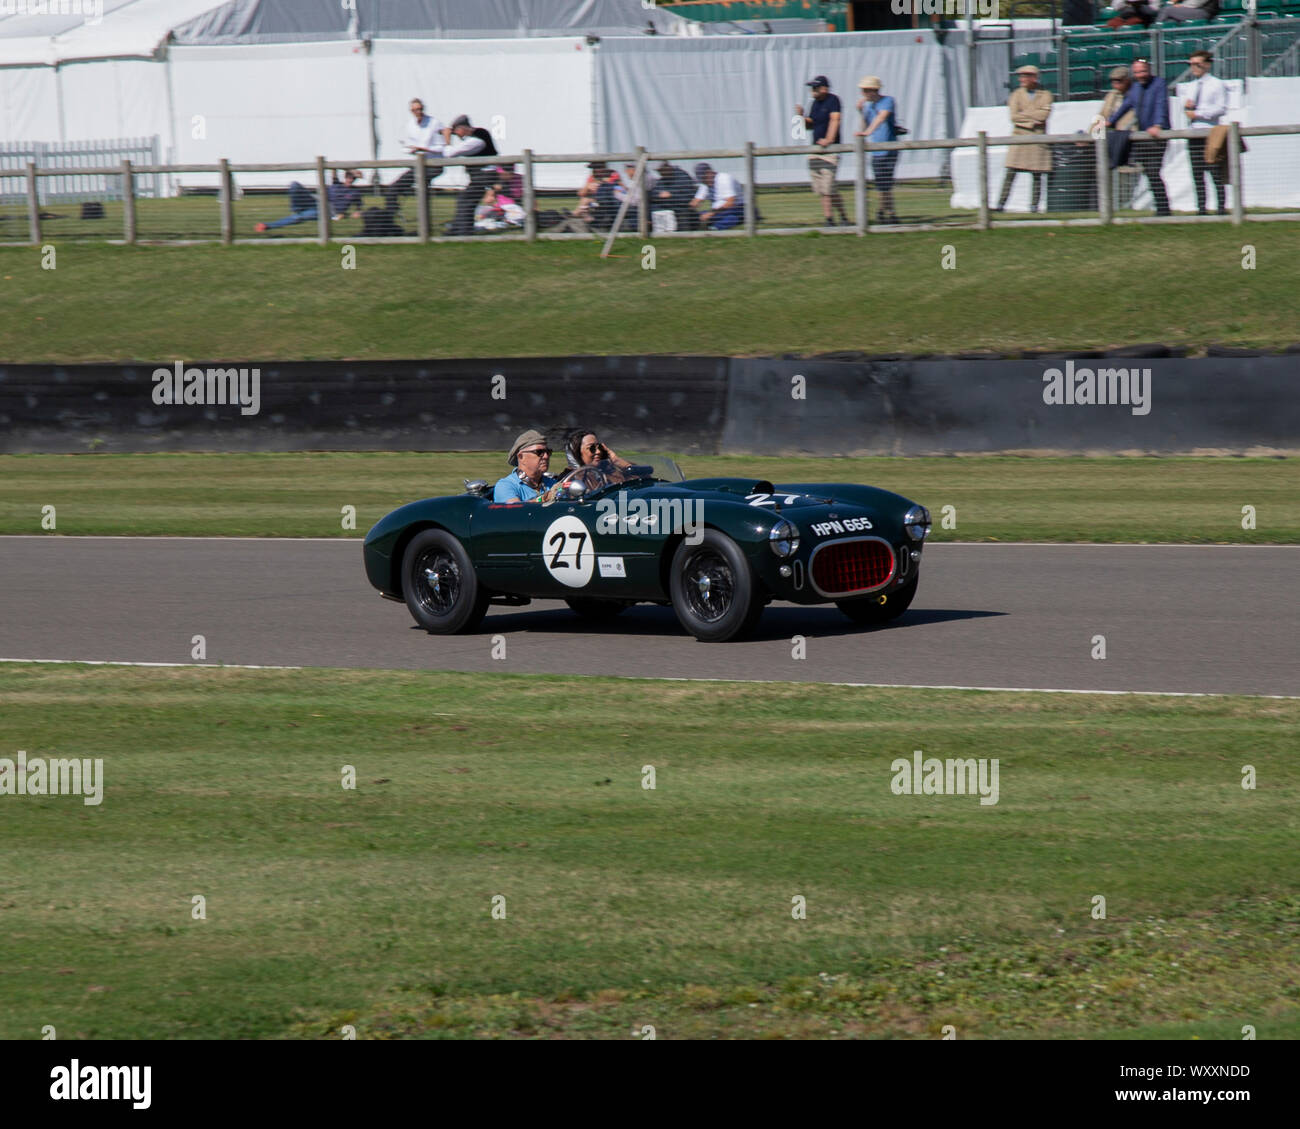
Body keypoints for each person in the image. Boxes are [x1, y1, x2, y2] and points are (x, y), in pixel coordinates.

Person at [1107, 58, 1172, 217]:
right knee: (1149, 173)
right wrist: (1110, 122)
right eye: (1136, 72)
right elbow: (1126, 106)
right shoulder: (1135, 88)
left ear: (1148, 69)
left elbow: (1161, 105)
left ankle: (1164, 210)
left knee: (1153, 171)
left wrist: (1158, 124)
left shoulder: (1159, 84)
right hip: (1143, 137)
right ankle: (1162, 209)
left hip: (1157, 136)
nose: (1140, 75)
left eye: (1142, 71)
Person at [995, 65, 1054, 214]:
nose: (1022, 79)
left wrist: (1026, 115)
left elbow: (1044, 115)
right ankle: (1001, 204)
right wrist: (1032, 120)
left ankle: (1034, 206)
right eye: (1020, 76)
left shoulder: (1046, 94)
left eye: (1026, 76)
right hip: (1019, 140)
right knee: (1011, 173)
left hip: (1037, 140)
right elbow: (1014, 116)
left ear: (1034, 78)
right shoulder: (1015, 95)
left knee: (1037, 175)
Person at [795, 75, 850, 227]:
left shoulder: (833, 100)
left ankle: (829, 220)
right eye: (812, 88)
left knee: (828, 188)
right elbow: (809, 125)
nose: (813, 90)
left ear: (824, 88)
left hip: (830, 151)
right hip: (815, 150)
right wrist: (800, 116)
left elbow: (835, 120)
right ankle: (843, 217)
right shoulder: (814, 104)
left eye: (816, 87)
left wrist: (829, 139)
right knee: (825, 189)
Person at [1183, 50, 1229, 215]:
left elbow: (1221, 108)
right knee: (1197, 173)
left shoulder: (1217, 84)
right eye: (1191, 64)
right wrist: (1188, 108)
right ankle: (1201, 209)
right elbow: (1188, 108)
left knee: (1215, 172)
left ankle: (1220, 209)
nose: (1194, 68)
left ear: (1207, 64)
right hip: (1194, 133)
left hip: (1211, 134)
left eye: (1197, 64)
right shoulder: (1191, 86)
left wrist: (1199, 113)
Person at [382, 97, 445, 210]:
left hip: (434, 165)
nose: (418, 112)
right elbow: (404, 146)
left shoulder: (435, 123)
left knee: (422, 189)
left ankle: (423, 216)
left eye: (420, 109)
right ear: (411, 111)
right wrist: (411, 150)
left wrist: (426, 149)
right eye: (415, 110)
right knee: (393, 188)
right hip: (419, 165)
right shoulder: (410, 125)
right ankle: (390, 214)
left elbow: (442, 147)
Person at [443, 114, 499, 236]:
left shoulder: (476, 140)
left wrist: (447, 139)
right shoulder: (478, 135)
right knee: (467, 200)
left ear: (461, 129)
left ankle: (462, 231)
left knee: (465, 199)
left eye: (456, 132)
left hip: (484, 176)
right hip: (481, 176)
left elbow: (449, 153)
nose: (457, 135)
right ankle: (459, 229)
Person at [255, 170, 364, 232]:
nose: (350, 179)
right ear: (345, 176)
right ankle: (296, 209)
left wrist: (351, 214)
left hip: (328, 210)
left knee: (299, 217)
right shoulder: (336, 184)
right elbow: (333, 169)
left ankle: (267, 226)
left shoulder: (355, 192)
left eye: (353, 178)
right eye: (349, 176)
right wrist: (349, 170)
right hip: (316, 200)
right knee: (294, 185)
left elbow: (359, 209)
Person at [854, 75, 899, 225]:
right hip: (876, 151)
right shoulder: (868, 107)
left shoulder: (888, 101)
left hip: (888, 148)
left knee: (885, 183)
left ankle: (887, 212)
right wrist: (861, 112)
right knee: (881, 184)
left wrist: (868, 133)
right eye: (863, 90)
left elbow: (881, 118)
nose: (864, 94)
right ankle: (885, 212)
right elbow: (863, 126)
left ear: (875, 90)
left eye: (867, 90)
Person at [493, 430, 559, 503]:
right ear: (521, 457)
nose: (546, 456)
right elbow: (515, 511)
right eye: (539, 452)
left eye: (548, 452)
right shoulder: (505, 485)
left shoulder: (553, 484)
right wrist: (543, 499)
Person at [692, 163, 744, 230]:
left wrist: (711, 213)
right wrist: (690, 211)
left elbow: (731, 202)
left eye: (703, 178)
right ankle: (708, 225)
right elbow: (696, 201)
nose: (703, 181)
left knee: (731, 218)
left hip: (736, 208)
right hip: (718, 211)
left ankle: (713, 228)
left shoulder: (724, 178)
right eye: (701, 179)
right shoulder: (705, 183)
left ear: (709, 173)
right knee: (697, 215)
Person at [651, 161, 699, 230]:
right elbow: (655, 194)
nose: (660, 173)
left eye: (661, 170)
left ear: (667, 167)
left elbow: (688, 196)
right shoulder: (662, 180)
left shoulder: (682, 176)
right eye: (659, 171)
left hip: (682, 211)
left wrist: (671, 195)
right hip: (667, 211)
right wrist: (659, 195)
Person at [565, 429, 632, 470]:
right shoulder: (569, 480)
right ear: (577, 453)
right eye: (592, 448)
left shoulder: (610, 472)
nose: (599, 451)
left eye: (599, 447)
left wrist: (616, 461)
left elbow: (625, 490)